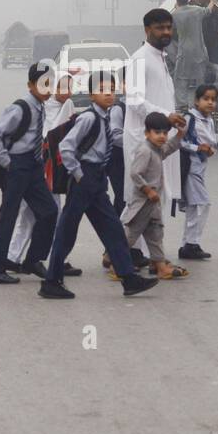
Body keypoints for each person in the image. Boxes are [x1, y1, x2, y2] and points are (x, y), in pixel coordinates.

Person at [41, 71, 159, 300]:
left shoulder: (105, 117)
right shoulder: (89, 118)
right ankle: (51, 282)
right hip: (84, 179)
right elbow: (66, 147)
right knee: (67, 231)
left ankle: (128, 278)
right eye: (103, 91)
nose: (109, 95)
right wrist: (78, 175)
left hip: (96, 180)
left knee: (112, 229)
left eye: (112, 90)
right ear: (92, 95)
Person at [0, 64, 59, 284]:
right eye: (43, 84)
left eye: (50, 84)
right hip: (17, 166)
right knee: (8, 215)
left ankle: (33, 260)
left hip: (33, 167)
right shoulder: (21, 107)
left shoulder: (41, 106)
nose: (48, 88)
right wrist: (8, 163)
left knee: (49, 211)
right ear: (30, 85)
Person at [7, 73, 80, 277]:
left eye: (70, 88)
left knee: (33, 215)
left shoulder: (67, 106)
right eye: (63, 87)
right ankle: (57, 260)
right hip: (39, 168)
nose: (67, 92)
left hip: (50, 169)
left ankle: (13, 257)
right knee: (43, 214)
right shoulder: (42, 107)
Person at [126, 8, 188, 216]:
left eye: (169, 28)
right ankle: (126, 247)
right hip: (143, 141)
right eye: (160, 28)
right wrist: (166, 115)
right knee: (140, 202)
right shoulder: (140, 59)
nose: (166, 32)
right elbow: (134, 99)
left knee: (155, 201)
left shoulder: (160, 58)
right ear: (147, 30)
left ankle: (138, 248)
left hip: (159, 141)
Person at [121, 111, 188, 280]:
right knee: (131, 235)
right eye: (157, 132)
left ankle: (160, 266)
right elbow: (135, 173)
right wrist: (148, 190)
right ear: (147, 133)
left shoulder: (157, 149)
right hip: (143, 203)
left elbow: (169, 148)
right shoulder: (145, 150)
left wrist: (180, 134)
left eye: (165, 133)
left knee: (155, 235)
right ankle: (115, 261)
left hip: (153, 204)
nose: (162, 136)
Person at [178, 84, 218, 261]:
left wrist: (209, 150)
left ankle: (189, 244)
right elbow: (178, 142)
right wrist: (197, 147)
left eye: (213, 99)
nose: (210, 103)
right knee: (202, 204)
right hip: (190, 167)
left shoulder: (209, 119)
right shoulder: (189, 119)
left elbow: (211, 142)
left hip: (200, 167)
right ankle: (191, 244)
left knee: (195, 206)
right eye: (206, 99)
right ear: (197, 101)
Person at [170, 0, 217, 109]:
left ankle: (182, 105)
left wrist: (177, 8)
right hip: (198, 52)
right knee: (200, 79)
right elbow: (209, 10)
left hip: (184, 53)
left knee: (180, 79)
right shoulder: (196, 11)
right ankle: (200, 103)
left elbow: (171, 28)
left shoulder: (174, 14)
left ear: (177, 0)